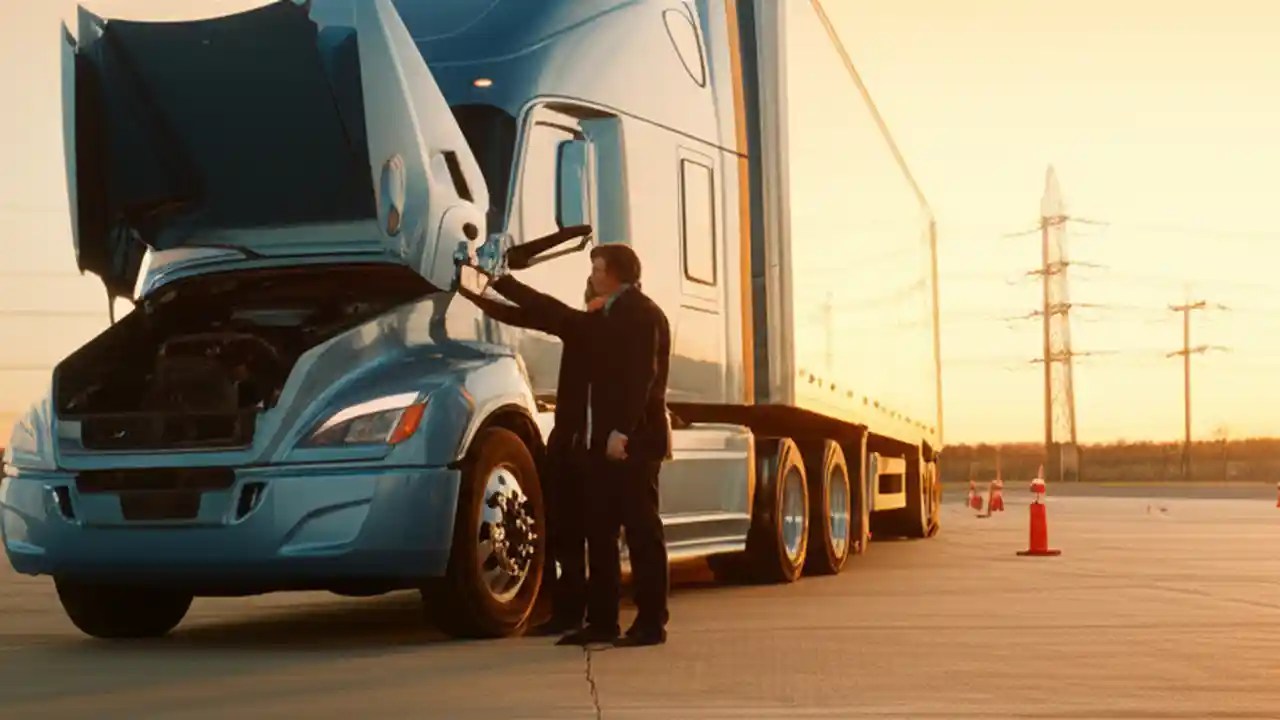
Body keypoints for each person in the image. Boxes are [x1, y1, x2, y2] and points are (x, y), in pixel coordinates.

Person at [458, 270, 605, 636]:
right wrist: (475, 298)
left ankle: (579, 614)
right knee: (569, 533)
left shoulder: (590, 328)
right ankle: (574, 612)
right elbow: (526, 316)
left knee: (578, 535)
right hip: (573, 441)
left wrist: (494, 280)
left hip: (584, 444)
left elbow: (538, 308)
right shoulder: (588, 326)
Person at [558, 244, 673, 648]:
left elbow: (642, 378)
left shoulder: (641, 313)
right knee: (599, 532)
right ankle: (602, 621)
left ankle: (650, 622)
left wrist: (621, 431)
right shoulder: (606, 312)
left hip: (633, 444)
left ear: (617, 274)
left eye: (598, 267)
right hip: (604, 443)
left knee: (642, 531)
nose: (592, 273)